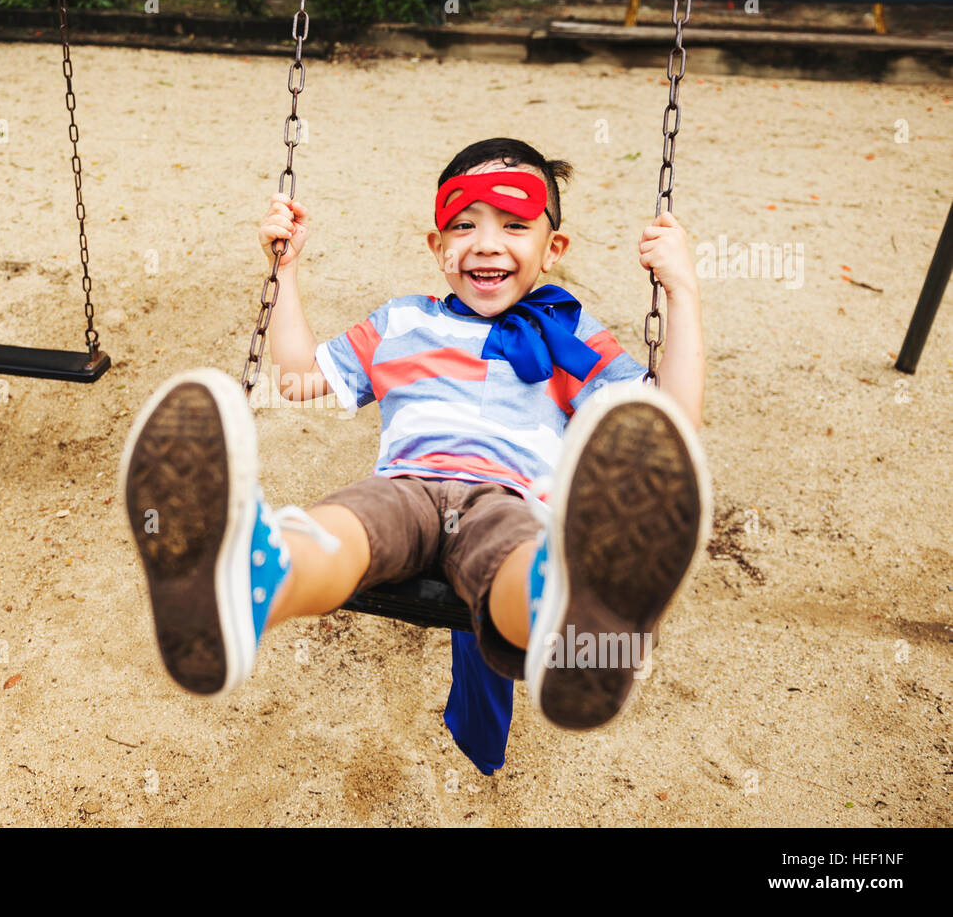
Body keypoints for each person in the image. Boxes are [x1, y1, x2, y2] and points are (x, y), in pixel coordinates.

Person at [119, 137, 711, 770]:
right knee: (340, 530)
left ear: (552, 248)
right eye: (464, 225)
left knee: (513, 558)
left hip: (504, 501)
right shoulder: (402, 323)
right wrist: (285, 270)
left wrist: (681, 292)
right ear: (438, 247)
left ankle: (565, 608)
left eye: (514, 225)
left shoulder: (572, 336)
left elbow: (670, 423)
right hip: (405, 487)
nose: (486, 243)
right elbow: (299, 378)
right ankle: (248, 576)